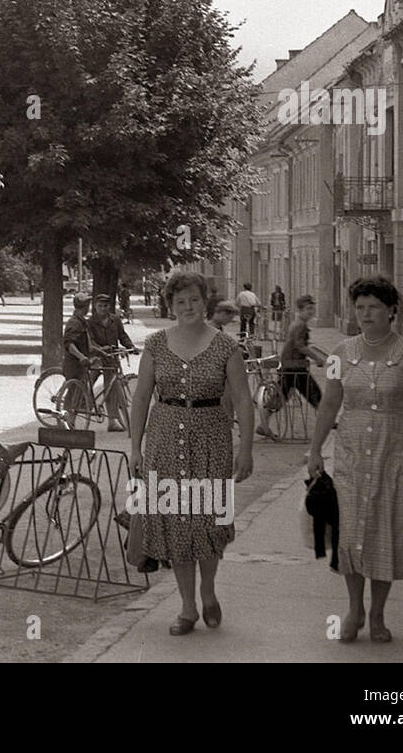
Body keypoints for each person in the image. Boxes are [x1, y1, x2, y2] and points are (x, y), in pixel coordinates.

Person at [307, 275, 403, 644]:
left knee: (384, 531)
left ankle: (377, 614)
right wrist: (315, 450)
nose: (365, 314)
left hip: (395, 452)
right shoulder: (341, 354)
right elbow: (330, 402)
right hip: (350, 454)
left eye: (374, 307)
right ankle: (354, 609)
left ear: (391, 311)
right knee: (350, 532)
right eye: (360, 307)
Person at [129, 271, 253, 635]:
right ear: (171, 305)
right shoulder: (154, 345)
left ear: (205, 302)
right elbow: (140, 398)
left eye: (194, 300)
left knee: (208, 521)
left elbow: (244, 400)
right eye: (180, 301)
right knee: (175, 524)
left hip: (211, 438)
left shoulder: (226, 347)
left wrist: (245, 449)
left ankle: (208, 590)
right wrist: (135, 446)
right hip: (164, 440)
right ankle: (186, 608)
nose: (187, 307)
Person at [88, 294, 135, 431]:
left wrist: (130, 346)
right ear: (95, 307)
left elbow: (122, 335)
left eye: (106, 306)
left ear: (110, 306)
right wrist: (100, 349)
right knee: (89, 381)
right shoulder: (90, 322)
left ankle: (113, 420)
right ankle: (80, 404)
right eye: (100, 306)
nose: (103, 309)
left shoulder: (115, 320)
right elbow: (90, 340)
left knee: (112, 387)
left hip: (111, 357)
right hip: (96, 356)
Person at [61, 294, 92, 384]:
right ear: (85, 307)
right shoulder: (74, 322)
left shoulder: (82, 321)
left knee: (82, 394)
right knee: (74, 394)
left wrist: (102, 351)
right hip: (74, 365)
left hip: (81, 365)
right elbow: (69, 344)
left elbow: (89, 344)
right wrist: (81, 357)